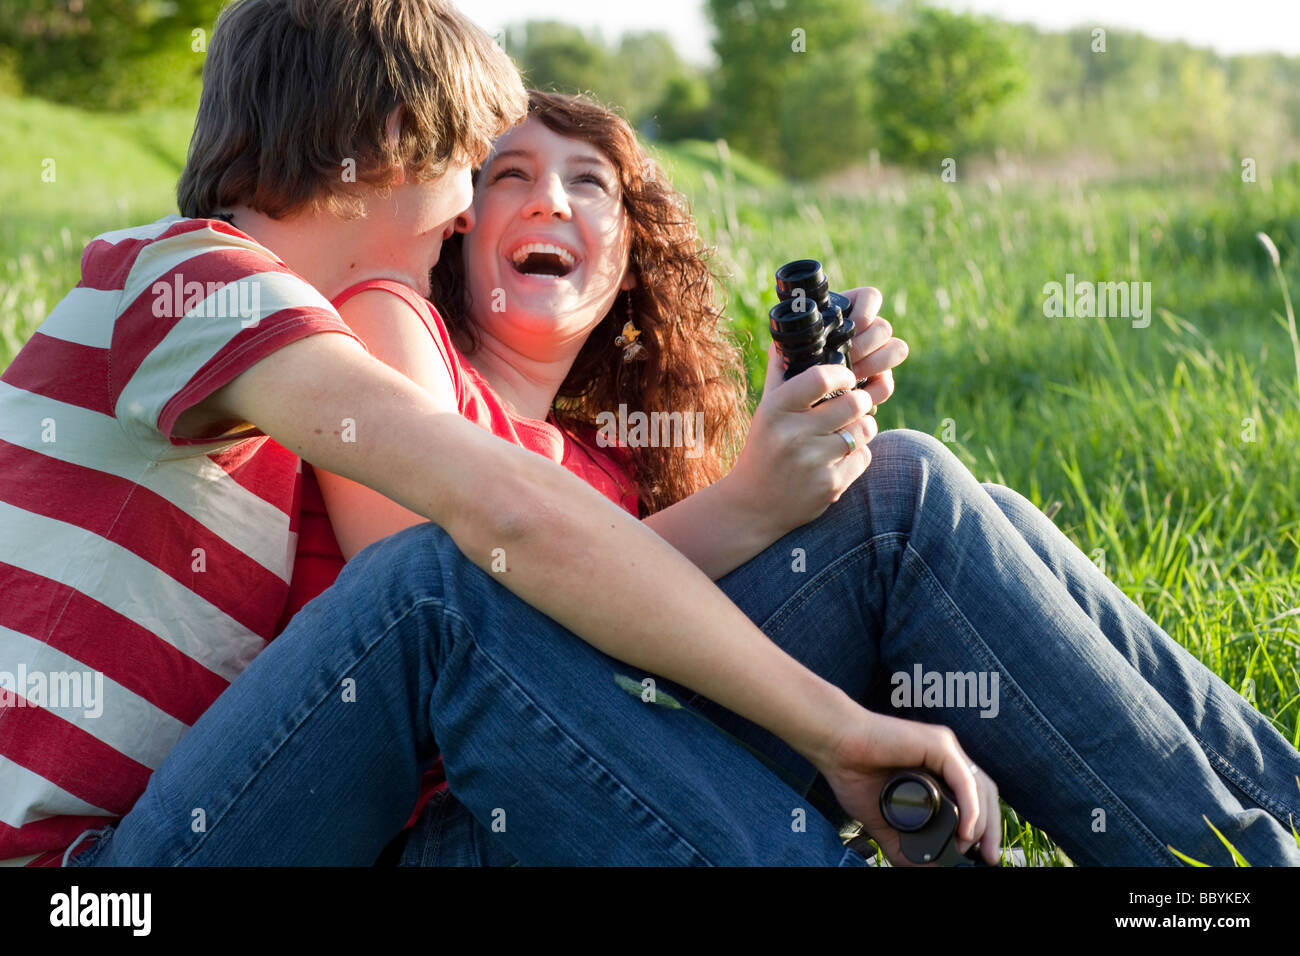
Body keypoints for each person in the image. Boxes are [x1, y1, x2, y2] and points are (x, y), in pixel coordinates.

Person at [1, 0, 984, 869]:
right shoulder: (187, 277)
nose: (470, 209)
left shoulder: (254, 344)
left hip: (187, 828)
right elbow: (499, 507)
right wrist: (837, 729)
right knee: (436, 579)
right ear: (393, 136)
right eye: (468, 165)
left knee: (896, 488)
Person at [298, 90, 1300, 868]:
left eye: (590, 181)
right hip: (477, 819)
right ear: (460, 225)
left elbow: (663, 630)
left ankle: (1281, 814)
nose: (550, 196)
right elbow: (462, 618)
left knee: (982, 508)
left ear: (630, 256)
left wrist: (797, 440)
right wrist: (755, 505)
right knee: (903, 500)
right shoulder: (401, 340)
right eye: (508, 173)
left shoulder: (608, 457)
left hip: (630, 768)